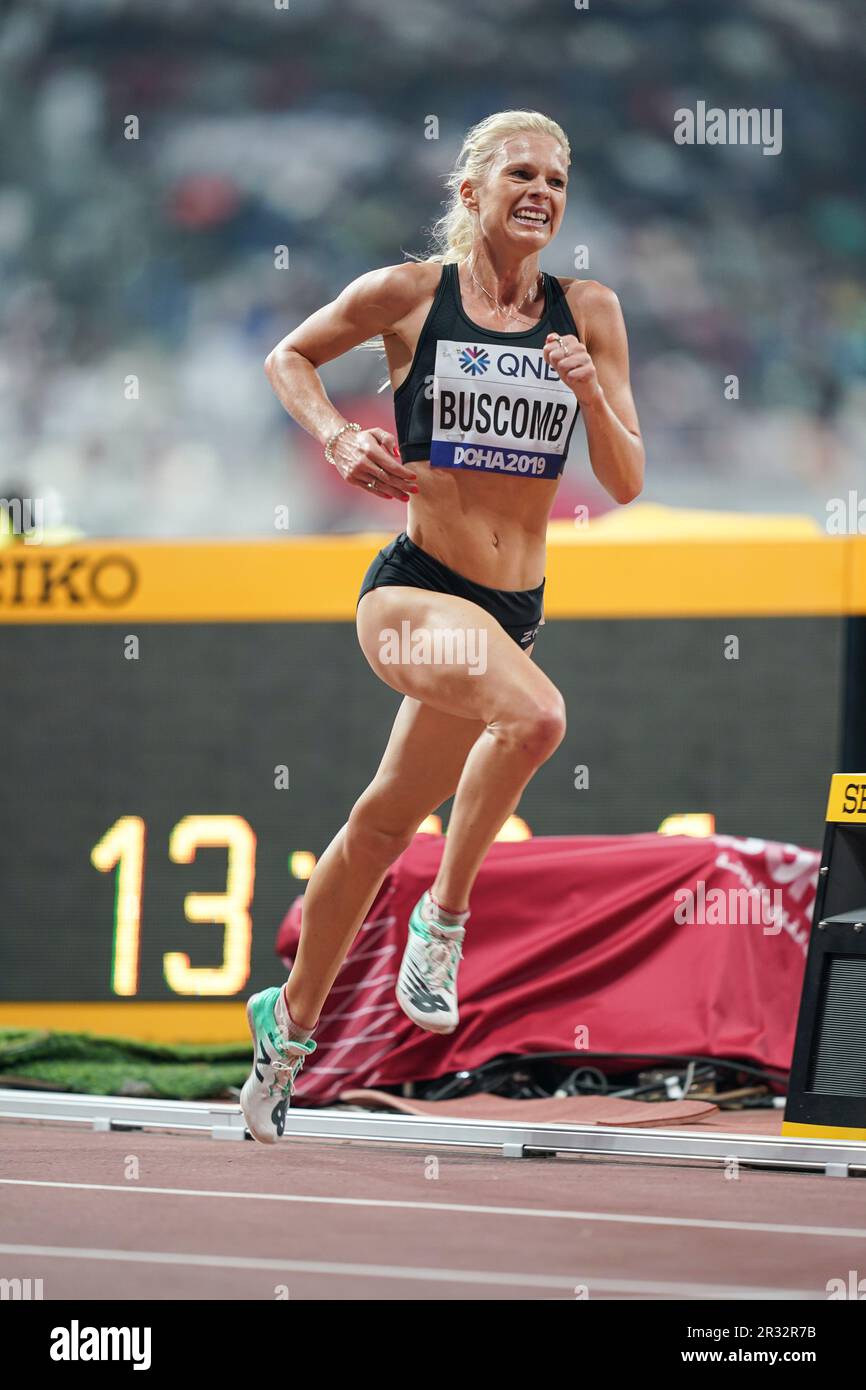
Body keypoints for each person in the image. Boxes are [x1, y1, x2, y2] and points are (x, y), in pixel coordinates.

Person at [241, 109, 644, 1143]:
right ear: (470, 192)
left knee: (379, 823)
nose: (541, 192)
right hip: (411, 592)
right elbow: (289, 357)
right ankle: (445, 919)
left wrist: (589, 392)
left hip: (511, 610)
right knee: (539, 721)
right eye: (520, 171)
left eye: (557, 178)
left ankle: (282, 1037)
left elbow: (626, 480)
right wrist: (336, 434)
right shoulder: (406, 296)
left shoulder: (585, 311)